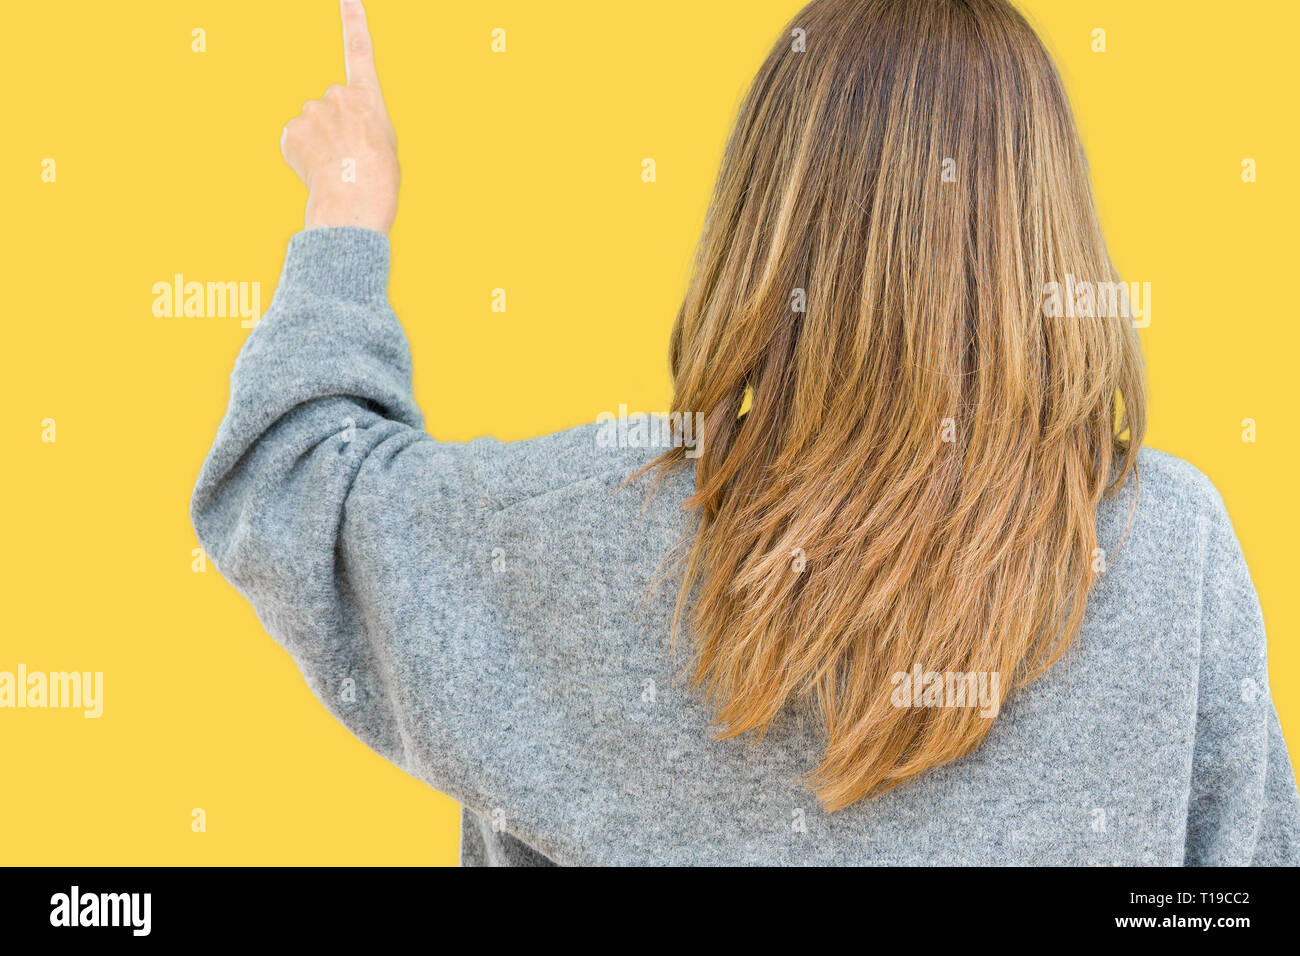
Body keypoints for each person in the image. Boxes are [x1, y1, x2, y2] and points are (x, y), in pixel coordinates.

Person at [192, 0, 1299, 864]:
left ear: (767, 216)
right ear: (1046, 229)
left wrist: (346, 202)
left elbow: (291, 484)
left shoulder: (582, 532)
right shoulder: (1168, 548)